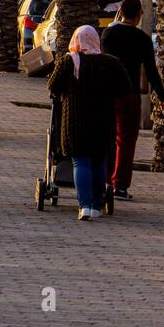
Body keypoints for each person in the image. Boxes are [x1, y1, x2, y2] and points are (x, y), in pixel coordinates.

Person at [47, 25, 131, 220]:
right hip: (103, 122)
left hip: (75, 123)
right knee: (99, 161)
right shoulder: (111, 63)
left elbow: (53, 86)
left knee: (80, 162)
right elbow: (125, 87)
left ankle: (84, 206)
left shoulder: (69, 61)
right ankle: (96, 206)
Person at [101, 0, 164, 200]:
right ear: (139, 15)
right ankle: (120, 186)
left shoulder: (108, 35)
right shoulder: (142, 39)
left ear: (120, 12)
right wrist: (162, 97)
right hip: (129, 94)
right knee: (126, 141)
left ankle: (104, 182)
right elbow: (151, 71)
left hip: (107, 93)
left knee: (107, 138)